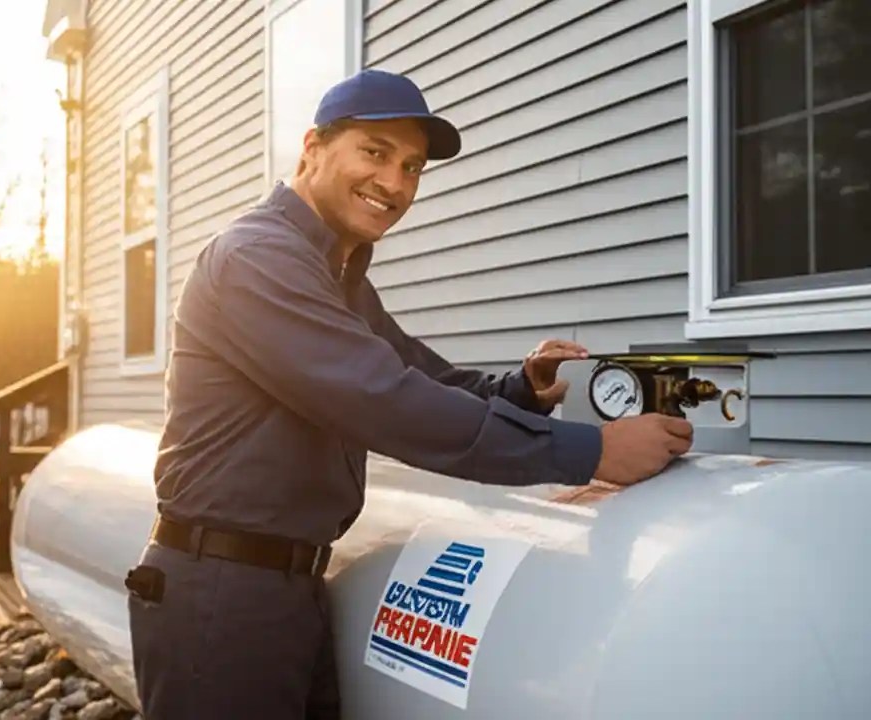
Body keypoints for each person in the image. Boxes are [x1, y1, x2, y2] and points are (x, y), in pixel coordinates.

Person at [125, 68, 693, 719]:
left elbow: (423, 377)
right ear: (313, 146)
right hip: (221, 596)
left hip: (285, 588)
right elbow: (387, 401)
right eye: (375, 152)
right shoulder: (258, 259)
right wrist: (592, 452)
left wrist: (521, 391)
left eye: (413, 167)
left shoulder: (337, 280)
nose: (395, 184)